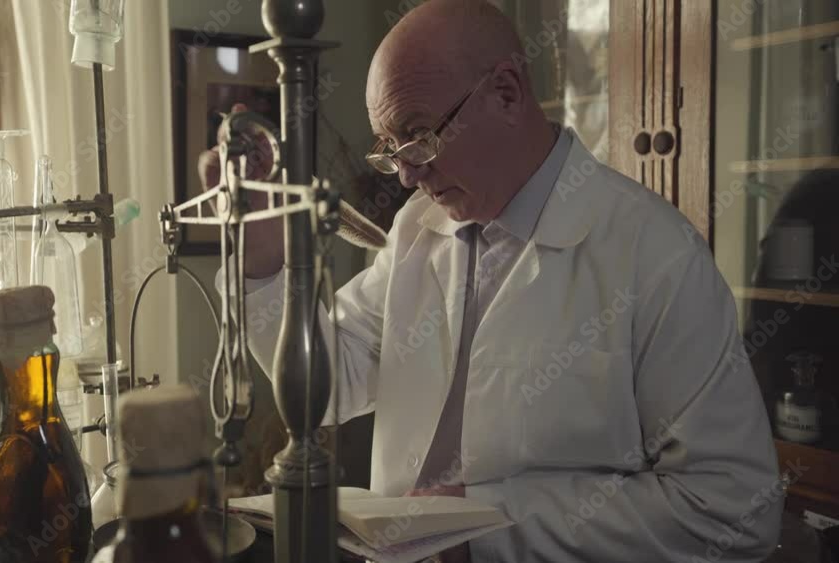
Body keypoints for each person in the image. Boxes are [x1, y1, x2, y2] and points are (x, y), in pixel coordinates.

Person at [202, 1, 782, 560]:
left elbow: (730, 509)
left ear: (506, 93)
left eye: (421, 135)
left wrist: (483, 527)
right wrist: (259, 266)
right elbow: (331, 384)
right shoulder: (417, 229)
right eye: (391, 149)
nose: (405, 176)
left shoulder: (657, 255)